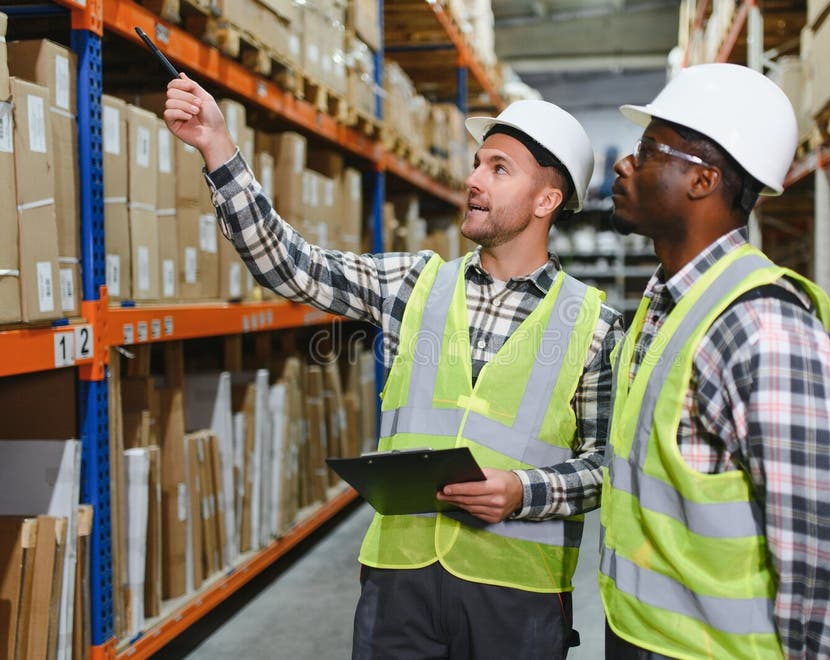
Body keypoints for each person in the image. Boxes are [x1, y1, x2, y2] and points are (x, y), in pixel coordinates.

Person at [164, 74, 623, 659]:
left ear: (546, 200)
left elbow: (608, 467)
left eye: (499, 169)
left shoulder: (594, 323)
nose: (473, 180)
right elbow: (291, 265)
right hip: (398, 579)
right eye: (478, 164)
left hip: (518, 595)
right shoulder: (415, 282)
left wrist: (523, 490)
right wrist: (219, 149)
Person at [598, 63, 830, 659]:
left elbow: (822, 545)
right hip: (639, 637)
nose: (623, 164)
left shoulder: (762, 329)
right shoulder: (663, 304)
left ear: (702, 179)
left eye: (646, 151)